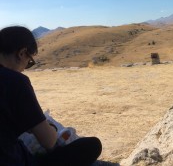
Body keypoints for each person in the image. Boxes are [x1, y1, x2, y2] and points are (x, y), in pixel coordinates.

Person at [1, 26, 103, 165]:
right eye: (29, 62)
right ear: (22, 53)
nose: (25, 68)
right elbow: (48, 141)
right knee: (92, 145)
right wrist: (52, 128)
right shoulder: (15, 81)